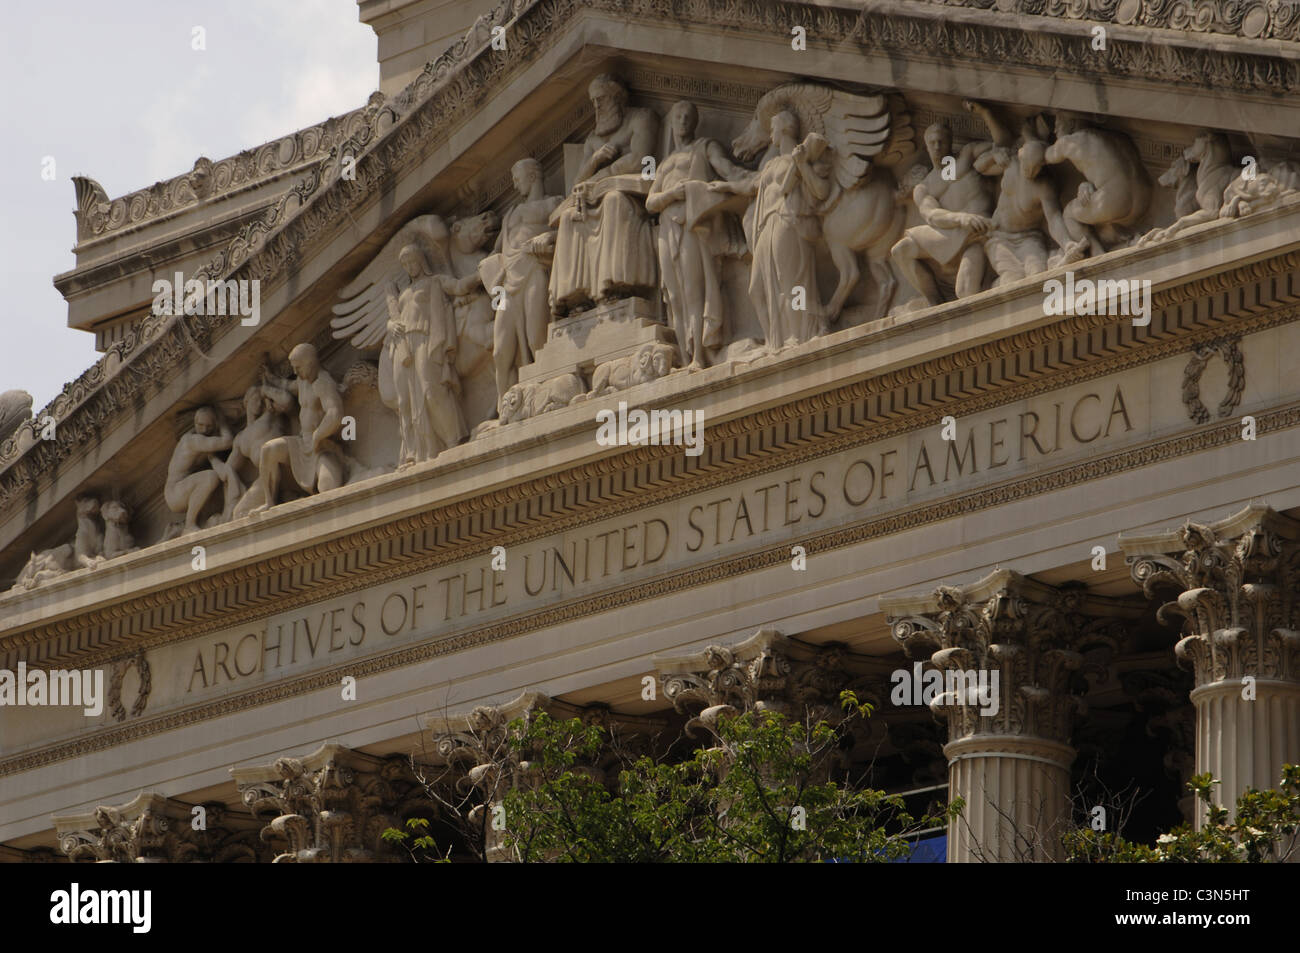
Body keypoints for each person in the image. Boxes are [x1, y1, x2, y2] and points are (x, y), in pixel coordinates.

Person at [712, 110, 831, 349]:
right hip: (766, 227)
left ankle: (798, 335)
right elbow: (751, 185)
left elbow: (820, 192)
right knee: (756, 290)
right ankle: (772, 341)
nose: (771, 133)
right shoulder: (773, 164)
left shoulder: (800, 159)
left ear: (785, 129)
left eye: (773, 127)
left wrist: (802, 165)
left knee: (791, 285)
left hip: (786, 220)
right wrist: (724, 185)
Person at [645, 100, 748, 368]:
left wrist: (752, 181)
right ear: (671, 121)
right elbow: (650, 202)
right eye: (678, 116)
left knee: (693, 291)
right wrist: (671, 194)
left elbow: (729, 170)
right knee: (674, 296)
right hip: (667, 228)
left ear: (695, 121)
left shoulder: (704, 147)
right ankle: (686, 353)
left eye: (688, 116)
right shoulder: (665, 163)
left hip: (691, 224)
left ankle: (700, 357)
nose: (682, 120)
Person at [549, 74, 659, 314]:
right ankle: (577, 297)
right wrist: (595, 160)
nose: (596, 106)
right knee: (570, 217)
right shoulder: (592, 139)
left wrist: (602, 175)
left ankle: (617, 287)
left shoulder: (641, 118)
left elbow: (643, 159)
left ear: (617, 98)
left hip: (634, 197)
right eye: (593, 101)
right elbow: (578, 181)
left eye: (601, 99)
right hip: (596, 197)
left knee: (613, 201)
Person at [251, 343, 347, 511]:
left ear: (310, 364)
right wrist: (270, 377)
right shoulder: (303, 381)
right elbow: (288, 386)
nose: (295, 372)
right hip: (301, 443)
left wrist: (318, 436)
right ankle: (269, 501)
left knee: (328, 487)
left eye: (298, 368)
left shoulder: (324, 383)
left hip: (323, 447)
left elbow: (334, 413)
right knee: (268, 450)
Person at [164, 406, 233, 533]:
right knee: (210, 477)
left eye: (209, 426)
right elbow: (227, 441)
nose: (204, 430)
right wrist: (222, 420)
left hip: (183, 488)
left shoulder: (196, 436)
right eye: (200, 425)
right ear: (195, 422)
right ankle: (189, 525)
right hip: (175, 492)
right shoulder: (192, 440)